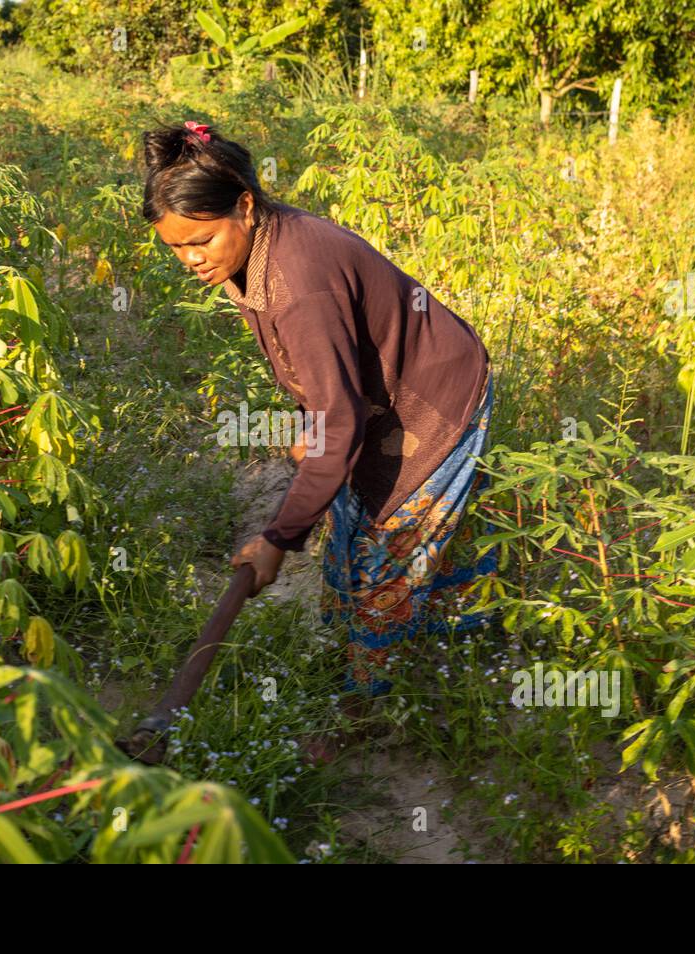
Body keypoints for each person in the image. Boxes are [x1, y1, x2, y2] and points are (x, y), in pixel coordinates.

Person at [142, 120, 498, 764]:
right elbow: (329, 381)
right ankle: (421, 646)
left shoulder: (298, 279)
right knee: (352, 527)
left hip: (434, 398)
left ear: (245, 206)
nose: (190, 258)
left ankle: (368, 716)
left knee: (383, 563)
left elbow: (338, 416)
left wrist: (279, 537)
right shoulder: (259, 245)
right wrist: (319, 426)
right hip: (375, 401)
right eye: (175, 247)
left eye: (200, 239)